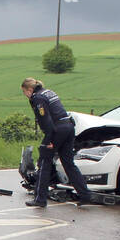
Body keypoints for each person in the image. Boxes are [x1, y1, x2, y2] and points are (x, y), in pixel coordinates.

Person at [22, 77, 93, 207]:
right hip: (69, 127)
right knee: (68, 163)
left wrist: (48, 140)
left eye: (24, 92)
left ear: (29, 89)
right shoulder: (48, 92)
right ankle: (85, 194)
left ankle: (40, 199)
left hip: (57, 130)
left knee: (44, 163)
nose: (25, 95)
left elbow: (45, 120)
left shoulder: (37, 98)